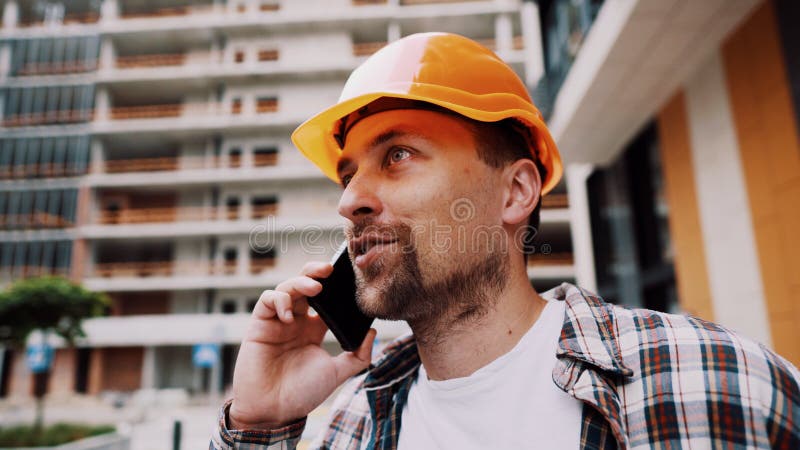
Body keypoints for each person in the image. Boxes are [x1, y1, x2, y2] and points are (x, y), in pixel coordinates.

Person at [210, 32, 800, 449]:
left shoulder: (719, 385)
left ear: (515, 192)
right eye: (347, 176)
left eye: (398, 155)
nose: (349, 201)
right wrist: (258, 425)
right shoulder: (351, 424)